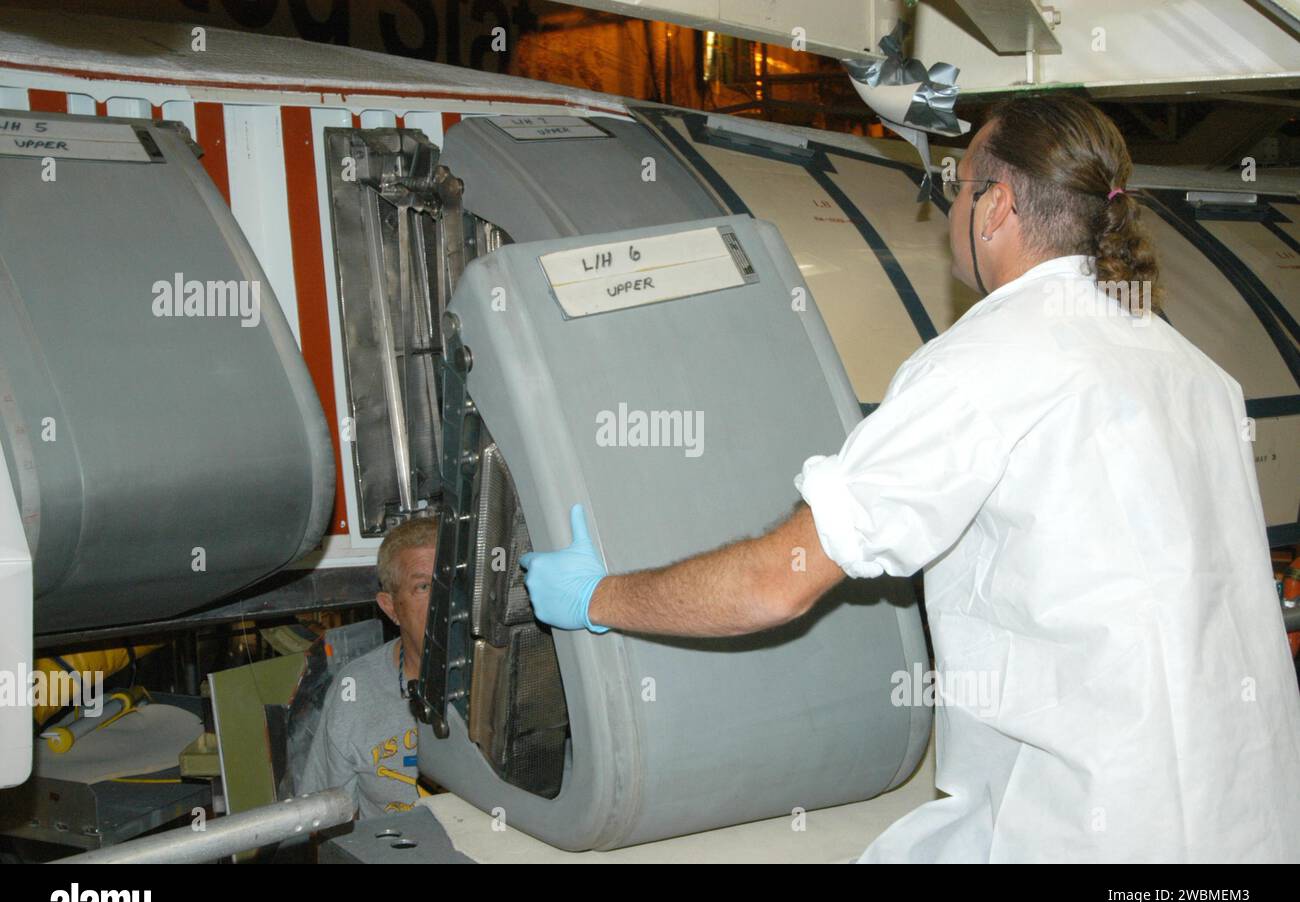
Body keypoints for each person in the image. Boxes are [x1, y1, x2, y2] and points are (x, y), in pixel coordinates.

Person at [518, 95, 1300, 862]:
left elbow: (775, 583)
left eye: (957, 187)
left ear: (994, 208)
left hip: (1089, 825)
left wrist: (596, 596)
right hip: (1250, 824)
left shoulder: (980, 365)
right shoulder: (1195, 372)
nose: (951, 207)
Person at [300, 517, 437, 818]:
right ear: (390, 607)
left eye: (454, 581)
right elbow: (322, 818)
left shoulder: (507, 674)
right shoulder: (356, 691)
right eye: (424, 586)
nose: (444, 598)